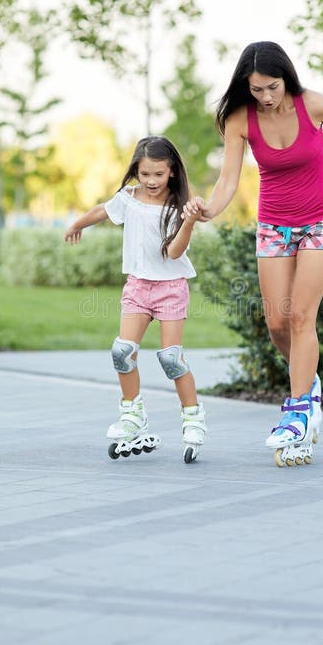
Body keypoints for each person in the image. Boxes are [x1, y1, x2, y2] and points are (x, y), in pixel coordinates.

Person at [183, 41, 323, 466]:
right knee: (277, 323)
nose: (266, 97)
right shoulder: (240, 118)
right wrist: (210, 209)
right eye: (256, 89)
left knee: (301, 317)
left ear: (286, 79)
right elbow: (228, 180)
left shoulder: (313, 104)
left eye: (272, 87)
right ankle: (307, 383)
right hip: (274, 226)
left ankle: (298, 410)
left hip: (321, 222)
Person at [65, 135, 207, 464]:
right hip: (138, 286)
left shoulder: (179, 206)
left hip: (170, 287)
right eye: (145, 174)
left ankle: (193, 417)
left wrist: (188, 222)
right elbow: (102, 210)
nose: (151, 181)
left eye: (159, 174)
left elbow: (174, 252)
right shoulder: (128, 198)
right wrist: (77, 224)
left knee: (171, 358)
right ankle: (132, 414)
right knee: (122, 351)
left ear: (172, 171)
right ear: (136, 171)